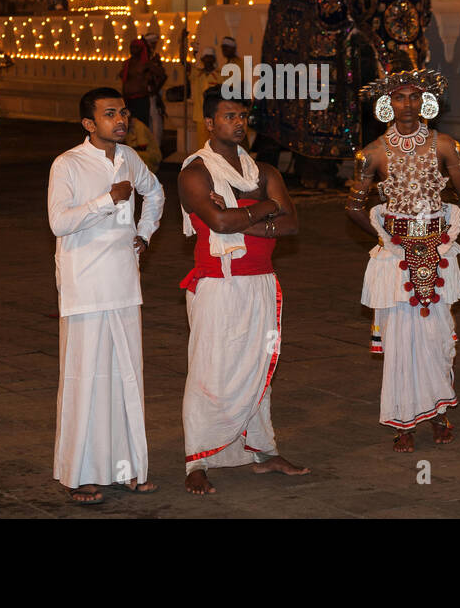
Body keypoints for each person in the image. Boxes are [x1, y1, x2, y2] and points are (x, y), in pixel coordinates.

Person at [178, 87, 308, 494]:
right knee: (209, 370)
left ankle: (263, 452)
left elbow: (291, 225)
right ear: (210, 123)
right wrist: (265, 208)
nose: (238, 123)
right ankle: (198, 458)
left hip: (262, 282)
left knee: (258, 370)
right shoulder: (195, 172)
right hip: (218, 283)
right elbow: (218, 223)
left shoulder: (264, 171)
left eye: (242, 117)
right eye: (229, 116)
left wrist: (243, 215)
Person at [345, 66, 460, 452]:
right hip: (396, 257)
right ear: (387, 104)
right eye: (399, 97)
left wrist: (446, 230)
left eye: (414, 96)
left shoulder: (445, 145)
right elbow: (353, 207)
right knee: (400, 339)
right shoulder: (372, 153)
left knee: (436, 336)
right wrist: (388, 236)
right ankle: (403, 420)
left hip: (437, 252)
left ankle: (438, 413)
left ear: (426, 101)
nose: (407, 104)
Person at [49, 87, 165, 504]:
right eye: (110, 114)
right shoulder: (68, 164)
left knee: (125, 377)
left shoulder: (130, 158)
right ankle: (79, 475)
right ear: (88, 123)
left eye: (124, 113)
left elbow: (156, 193)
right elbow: (59, 223)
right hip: (84, 287)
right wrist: (107, 200)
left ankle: (128, 468)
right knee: (84, 380)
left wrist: (144, 235)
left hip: (123, 283)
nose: (121, 120)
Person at [119, 38, 166, 130]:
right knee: (128, 127)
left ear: (141, 49)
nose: (132, 49)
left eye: (136, 47)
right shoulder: (127, 63)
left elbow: (162, 75)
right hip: (127, 99)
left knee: (141, 128)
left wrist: (155, 90)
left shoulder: (145, 64)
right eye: (131, 47)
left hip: (140, 100)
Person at [189, 47, 224, 150]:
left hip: (216, 116)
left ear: (214, 59)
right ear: (202, 60)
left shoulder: (220, 75)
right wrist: (184, 43)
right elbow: (184, 63)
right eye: (206, 58)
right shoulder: (196, 74)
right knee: (202, 146)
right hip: (200, 116)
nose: (208, 60)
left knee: (216, 145)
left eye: (210, 58)